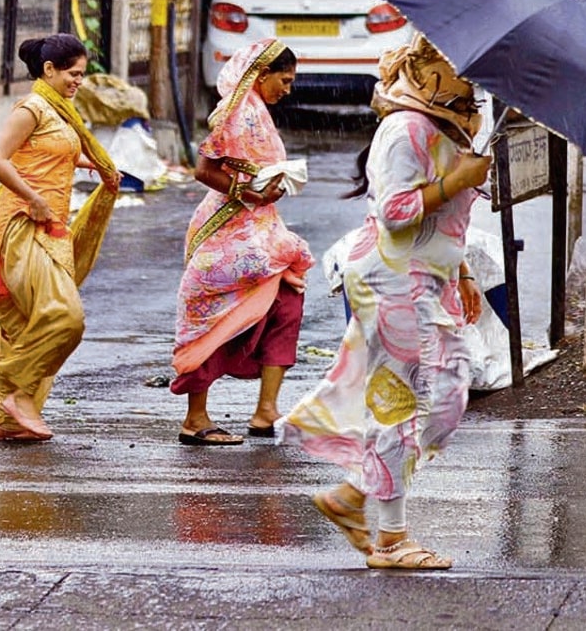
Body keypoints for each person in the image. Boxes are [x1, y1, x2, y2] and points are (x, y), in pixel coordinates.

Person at [277, 31, 492, 570]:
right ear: (428, 72)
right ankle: (392, 540)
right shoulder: (404, 130)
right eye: (456, 68)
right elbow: (395, 212)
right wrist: (458, 180)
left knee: (448, 399)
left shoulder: (448, 130)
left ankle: (352, 493)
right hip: (393, 279)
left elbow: (442, 219)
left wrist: (461, 270)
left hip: (432, 276)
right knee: (397, 402)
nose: (470, 82)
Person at [0, 34, 120, 442]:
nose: (79, 81)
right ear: (49, 70)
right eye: (74, 73)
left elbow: (54, 153)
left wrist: (95, 165)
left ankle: (5, 419)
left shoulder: (60, 110)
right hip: (23, 225)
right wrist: (34, 199)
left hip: (51, 227)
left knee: (23, 325)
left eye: (82, 74)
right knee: (65, 318)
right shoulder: (32, 108)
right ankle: (18, 393)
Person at [171, 38, 314, 446]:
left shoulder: (258, 113)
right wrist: (250, 192)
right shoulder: (236, 112)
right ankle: (195, 419)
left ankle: (266, 410)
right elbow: (205, 170)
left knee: (287, 305)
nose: (287, 89)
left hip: (260, 231)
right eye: (283, 80)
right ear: (261, 74)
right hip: (228, 231)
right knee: (211, 316)